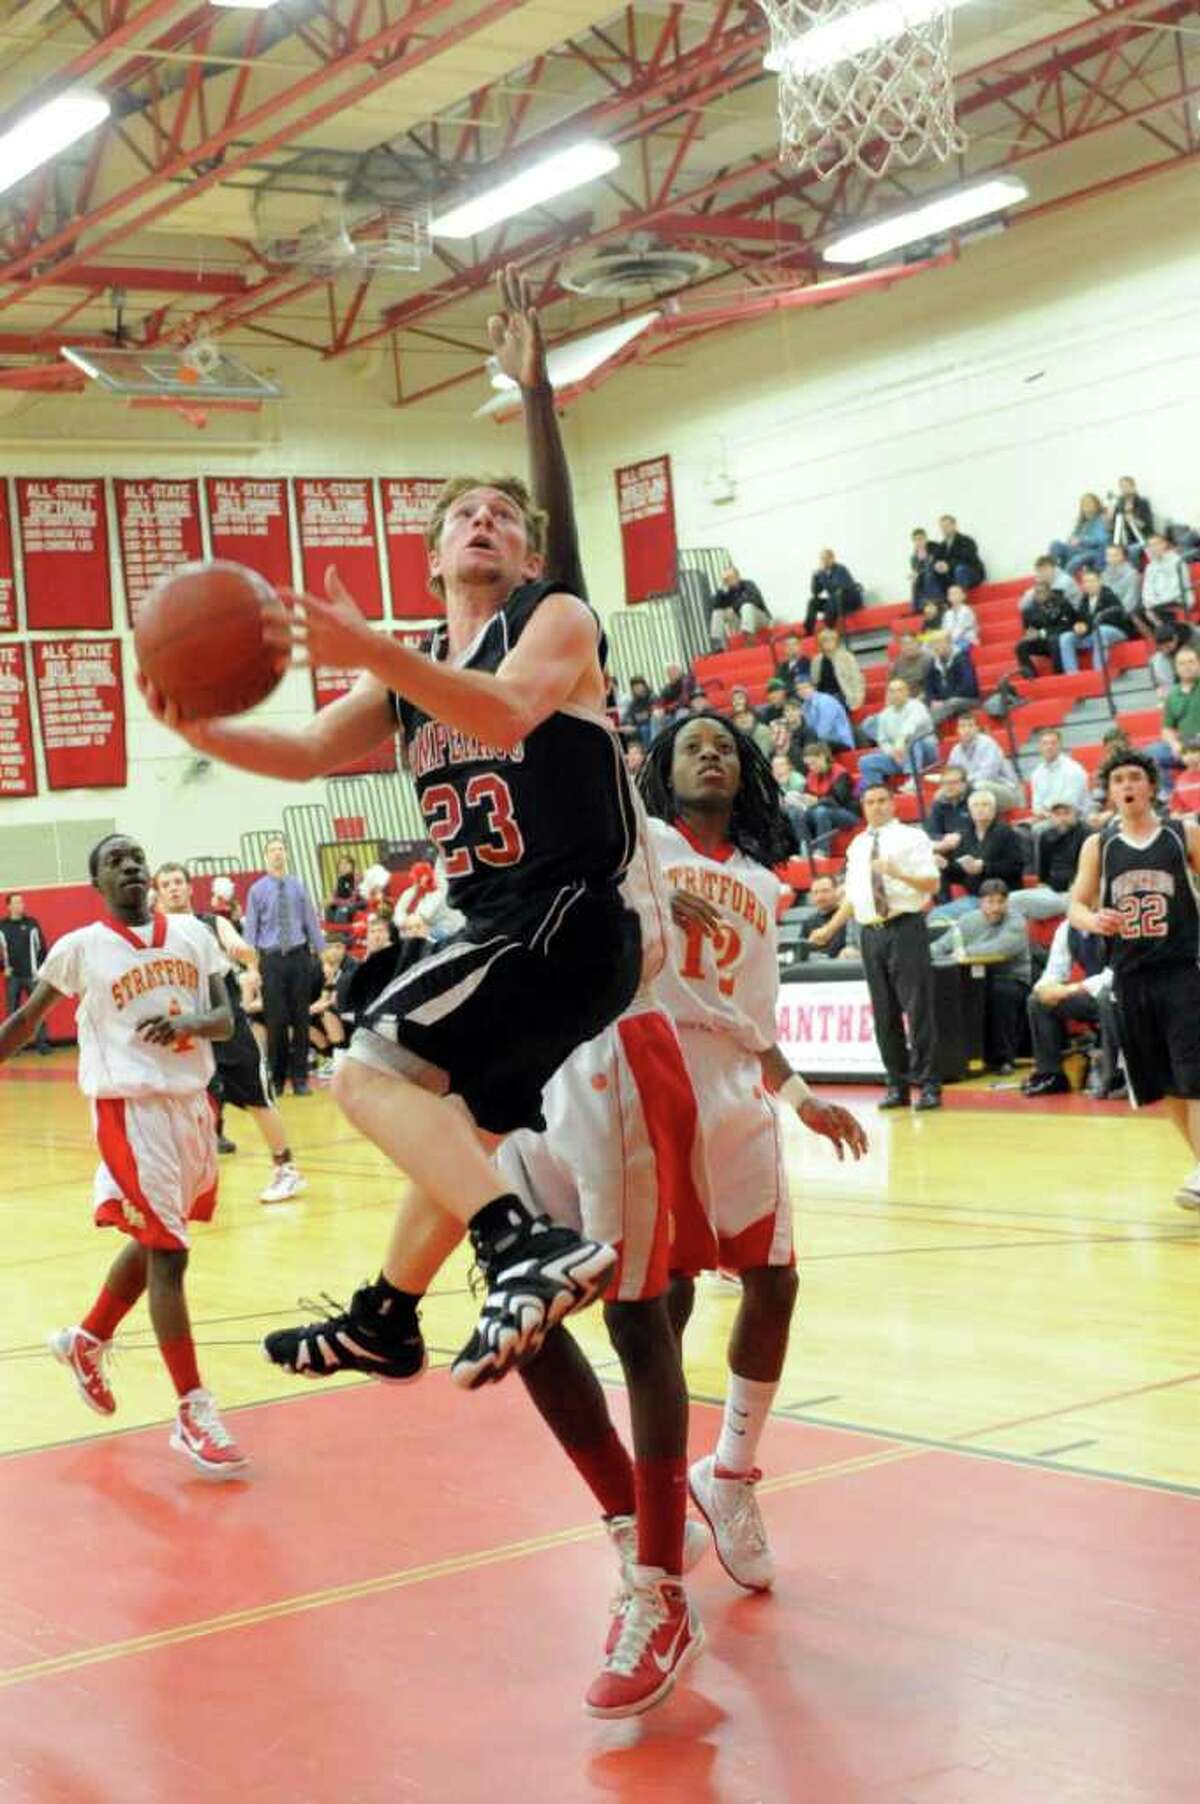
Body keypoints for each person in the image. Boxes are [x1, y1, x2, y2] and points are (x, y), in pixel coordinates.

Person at [142, 263, 651, 1387]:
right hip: (505, 924)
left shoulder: (554, 617)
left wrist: (378, 646)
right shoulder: (411, 675)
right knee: (444, 1112)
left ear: (525, 555)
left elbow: (511, 712)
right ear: (432, 556)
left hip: (563, 913)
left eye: (506, 518)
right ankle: (387, 1311)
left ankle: (524, 1244)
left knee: (364, 1072)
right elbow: (311, 752)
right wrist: (198, 729)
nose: (488, 521)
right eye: (467, 513)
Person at [497, 713, 865, 1715]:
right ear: (657, 769)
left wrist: (799, 1095)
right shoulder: (637, 842)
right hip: (632, 1066)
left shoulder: (762, 882)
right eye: (692, 742)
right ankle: (651, 1523)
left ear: (747, 774)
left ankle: (730, 1472)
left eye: (728, 745)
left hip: (728, 1084)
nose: (713, 753)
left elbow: (755, 1013)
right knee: (645, 1307)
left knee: (771, 1276)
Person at [0, 833, 245, 1475]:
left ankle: (87, 1340)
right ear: (96, 886)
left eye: (136, 856)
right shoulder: (82, 948)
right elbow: (27, 1021)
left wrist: (191, 1024)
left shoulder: (192, 932)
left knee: (158, 1235)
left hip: (192, 1106)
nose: (130, 866)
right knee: (169, 1253)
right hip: (128, 1109)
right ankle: (193, 1409)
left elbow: (226, 1018)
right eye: (115, 862)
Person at [1069, 747, 1200, 1209]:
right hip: (1129, 976)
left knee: (1194, 1074)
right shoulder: (1099, 845)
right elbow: (1075, 906)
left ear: (1150, 786)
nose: (1126, 786)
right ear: (1109, 793)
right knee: (1165, 1085)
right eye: (1117, 780)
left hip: (1184, 969)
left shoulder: (1183, 834)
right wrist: (1094, 920)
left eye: (1133, 777)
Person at [156, 862, 306, 1205]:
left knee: (257, 1098)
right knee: (183, 1104)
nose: (174, 888)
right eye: (167, 884)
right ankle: (187, 1179)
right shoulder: (159, 931)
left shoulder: (212, 923)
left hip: (226, 1024)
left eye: (179, 882)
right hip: (188, 1027)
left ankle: (286, 1169)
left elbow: (241, 948)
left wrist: (245, 958)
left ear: (190, 888)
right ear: (159, 893)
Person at [808, 784, 942, 1109]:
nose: (876, 807)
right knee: (884, 1012)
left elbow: (932, 884)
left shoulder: (912, 838)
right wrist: (829, 927)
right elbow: (854, 896)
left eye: (882, 801)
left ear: (893, 805)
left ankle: (928, 1085)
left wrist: (896, 871)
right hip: (871, 932)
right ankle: (896, 1084)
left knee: (917, 1007)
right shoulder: (857, 845)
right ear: (863, 807)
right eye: (870, 802)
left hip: (905, 926)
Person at [243, 836, 325, 1098]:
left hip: (299, 957)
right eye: (273, 850)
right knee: (276, 1021)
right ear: (266, 856)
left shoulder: (299, 886)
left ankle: (300, 1078)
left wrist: (323, 957)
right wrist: (252, 967)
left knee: (301, 1019)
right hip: (272, 960)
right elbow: (251, 931)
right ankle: (277, 1079)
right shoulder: (256, 890)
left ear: (286, 854)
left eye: (281, 849)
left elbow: (311, 922)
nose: (277, 854)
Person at [935, 880, 1030, 1073]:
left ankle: (1003, 1059)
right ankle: (957, 1056)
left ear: (1007, 903)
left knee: (999, 993)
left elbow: (1002, 947)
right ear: (980, 903)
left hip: (1012, 979)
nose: (995, 907)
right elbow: (942, 945)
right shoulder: (968, 920)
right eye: (990, 902)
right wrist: (922, 955)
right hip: (975, 979)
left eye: (1000, 902)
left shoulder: (1016, 921)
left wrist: (964, 952)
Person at [1023, 918, 1119, 1097]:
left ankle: (1113, 1076)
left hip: (1125, 994)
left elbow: (1116, 973)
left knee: (1108, 997)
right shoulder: (1068, 928)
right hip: (1091, 995)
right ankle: (1050, 1075)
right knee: (1037, 1001)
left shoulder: (1114, 921)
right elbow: (1053, 972)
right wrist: (1044, 989)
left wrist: (1071, 989)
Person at [935, 788, 1027, 912]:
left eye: (985, 804)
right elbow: (959, 875)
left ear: (994, 809)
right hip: (974, 897)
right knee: (937, 914)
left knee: (939, 915)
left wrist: (984, 868)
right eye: (975, 805)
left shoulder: (1006, 833)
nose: (980, 809)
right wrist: (946, 865)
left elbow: (1016, 867)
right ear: (970, 810)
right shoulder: (966, 835)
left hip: (1000, 897)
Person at [1011, 802, 1089, 920]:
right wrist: (1042, 883)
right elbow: (1043, 870)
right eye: (1057, 814)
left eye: (1066, 813)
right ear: (1051, 817)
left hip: (1077, 892)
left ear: (1075, 814)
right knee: (1012, 899)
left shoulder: (1087, 834)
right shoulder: (1046, 836)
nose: (1062, 818)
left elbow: (1089, 870)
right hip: (1052, 892)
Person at [858, 676, 937, 791]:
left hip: (926, 753)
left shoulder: (917, 706)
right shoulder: (885, 714)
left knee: (912, 742)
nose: (896, 694)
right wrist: (892, 752)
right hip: (900, 756)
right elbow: (882, 740)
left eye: (900, 690)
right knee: (865, 762)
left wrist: (901, 741)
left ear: (907, 692)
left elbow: (912, 724)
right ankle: (878, 791)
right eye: (892, 691)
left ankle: (914, 781)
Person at [1, 892, 51, 1053]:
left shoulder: (32, 923)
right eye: (16, 902)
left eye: (22, 902)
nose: (21, 905)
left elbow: (42, 948)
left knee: (38, 1010)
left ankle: (42, 1044)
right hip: (13, 978)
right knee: (13, 1016)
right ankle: (13, 1049)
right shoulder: (2, 926)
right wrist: (3, 968)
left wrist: (42, 970)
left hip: (33, 975)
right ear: (9, 906)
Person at [946, 711, 1024, 813]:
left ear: (977, 729)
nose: (966, 730)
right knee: (942, 794)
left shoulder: (988, 743)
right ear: (957, 730)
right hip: (971, 790)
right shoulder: (955, 750)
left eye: (970, 726)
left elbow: (988, 775)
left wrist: (962, 783)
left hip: (1008, 792)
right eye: (962, 726)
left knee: (979, 786)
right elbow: (951, 774)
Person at [1059, 567, 1127, 674]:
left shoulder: (1109, 596)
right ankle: (1073, 675)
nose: (1088, 584)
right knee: (1065, 637)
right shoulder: (1084, 600)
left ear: (1100, 581)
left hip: (1114, 632)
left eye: (1092, 581)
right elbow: (1080, 620)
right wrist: (1077, 626)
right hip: (1092, 633)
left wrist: (1087, 627)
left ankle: (1099, 674)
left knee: (1101, 631)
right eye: (1085, 582)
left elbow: (1112, 618)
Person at [796, 740, 859, 851]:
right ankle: (806, 851)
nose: (811, 768)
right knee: (797, 814)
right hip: (821, 810)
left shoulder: (840, 773)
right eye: (808, 765)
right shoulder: (811, 776)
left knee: (821, 812)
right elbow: (807, 796)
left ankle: (823, 851)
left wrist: (817, 801)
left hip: (847, 812)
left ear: (822, 757)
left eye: (813, 763)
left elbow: (838, 800)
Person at [1028, 728, 1090, 828]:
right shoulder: (1037, 773)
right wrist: (1044, 814)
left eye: (1053, 743)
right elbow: (1036, 806)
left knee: (1038, 829)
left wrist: (1047, 813)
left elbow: (1070, 803)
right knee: (1020, 829)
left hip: (1074, 818)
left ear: (1060, 746)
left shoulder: (1073, 769)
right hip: (1048, 817)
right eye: (1045, 743)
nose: (1049, 747)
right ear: (1039, 747)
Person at [1133, 533, 1192, 635]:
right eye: (1151, 546)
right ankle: (1160, 637)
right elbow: (1147, 590)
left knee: (1159, 610)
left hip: (1177, 599)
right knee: (1136, 613)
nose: (1154, 548)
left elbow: (1176, 590)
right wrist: (1149, 604)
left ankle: (1171, 636)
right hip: (1157, 604)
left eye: (1156, 544)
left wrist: (1155, 605)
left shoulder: (1177, 562)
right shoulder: (1150, 567)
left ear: (1164, 544)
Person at [923, 629, 979, 724]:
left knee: (953, 702)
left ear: (949, 643)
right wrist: (931, 700)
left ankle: (926, 728)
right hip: (945, 703)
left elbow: (968, 688)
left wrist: (944, 701)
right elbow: (928, 687)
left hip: (968, 700)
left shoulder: (962, 659)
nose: (935, 647)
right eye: (933, 644)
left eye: (938, 644)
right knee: (921, 703)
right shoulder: (933, 663)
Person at [810, 625, 866, 715]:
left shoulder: (846, 657)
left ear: (836, 642)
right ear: (820, 643)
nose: (828, 643)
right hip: (823, 696)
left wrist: (858, 697)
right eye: (824, 640)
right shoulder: (816, 661)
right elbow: (814, 682)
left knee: (832, 704)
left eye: (831, 639)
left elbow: (857, 678)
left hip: (842, 694)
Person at [1050, 493, 1110, 574]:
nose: (1086, 506)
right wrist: (1071, 539)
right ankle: (1052, 571)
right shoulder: (1081, 523)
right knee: (1055, 544)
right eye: (1084, 504)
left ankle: (1063, 581)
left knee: (1074, 562)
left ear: (1096, 505)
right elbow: (1073, 538)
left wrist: (1081, 540)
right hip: (1077, 550)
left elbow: (1102, 540)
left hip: (1092, 552)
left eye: (1089, 503)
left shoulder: (1101, 520)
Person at [709, 566, 770, 647]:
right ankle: (717, 642)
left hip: (759, 618)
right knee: (718, 613)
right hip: (741, 620)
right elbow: (716, 607)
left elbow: (754, 599)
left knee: (746, 606)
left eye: (731, 577)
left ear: (738, 576)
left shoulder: (748, 584)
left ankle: (749, 639)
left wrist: (734, 608)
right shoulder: (727, 592)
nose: (729, 581)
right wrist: (720, 591)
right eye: (726, 579)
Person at [805, 549, 861, 634]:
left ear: (832, 559)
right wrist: (815, 578)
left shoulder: (840, 569)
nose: (824, 561)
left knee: (833, 599)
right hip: (833, 603)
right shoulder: (822, 573)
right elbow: (816, 592)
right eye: (822, 559)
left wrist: (824, 577)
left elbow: (839, 588)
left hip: (847, 601)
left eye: (826, 558)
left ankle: (829, 630)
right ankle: (809, 631)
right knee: (813, 602)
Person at [793, 674, 853, 750]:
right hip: (822, 741)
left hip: (839, 742)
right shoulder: (805, 706)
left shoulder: (825, 701)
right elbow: (808, 729)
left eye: (805, 687)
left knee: (807, 748)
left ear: (813, 687)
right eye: (799, 689)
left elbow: (824, 730)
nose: (802, 691)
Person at [934, 515, 986, 590]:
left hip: (972, 573)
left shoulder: (966, 540)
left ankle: (960, 600)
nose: (944, 529)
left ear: (954, 525)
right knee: (932, 573)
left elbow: (966, 558)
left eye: (947, 526)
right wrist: (937, 565)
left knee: (960, 569)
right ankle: (937, 600)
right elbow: (936, 559)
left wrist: (948, 565)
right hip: (953, 575)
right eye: (942, 527)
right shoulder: (942, 546)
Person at [1107, 476, 1154, 559]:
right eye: (1121, 487)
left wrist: (1133, 519)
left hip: (1141, 538)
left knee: (1132, 550)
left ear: (1133, 487)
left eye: (1126, 486)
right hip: (1123, 538)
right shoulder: (1119, 504)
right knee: (1109, 549)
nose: (1124, 489)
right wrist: (1109, 519)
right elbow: (1113, 528)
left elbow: (1147, 526)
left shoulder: (1142, 503)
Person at [1102, 542, 1141, 620]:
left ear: (1124, 556)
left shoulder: (1132, 575)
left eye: (1115, 555)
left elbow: (1131, 602)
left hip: (1123, 615)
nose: (1111, 558)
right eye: (1108, 555)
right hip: (1105, 614)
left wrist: (1113, 614)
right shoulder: (1105, 574)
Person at [909, 528, 946, 606]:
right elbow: (917, 572)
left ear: (925, 539)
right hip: (924, 582)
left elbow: (940, 563)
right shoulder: (914, 558)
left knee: (928, 572)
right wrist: (914, 574)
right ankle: (918, 605)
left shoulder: (935, 548)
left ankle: (936, 601)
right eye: (915, 540)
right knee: (914, 581)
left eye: (920, 539)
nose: (918, 542)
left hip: (938, 577)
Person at [940, 584, 980, 656]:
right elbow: (944, 630)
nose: (953, 596)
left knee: (953, 649)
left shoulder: (967, 611)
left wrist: (950, 641)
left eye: (956, 593)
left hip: (967, 640)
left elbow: (962, 629)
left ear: (963, 596)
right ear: (948, 598)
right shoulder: (947, 614)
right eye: (951, 594)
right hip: (951, 641)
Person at [890, 629, 932, 694]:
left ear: (918, 644)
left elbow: (932, 686)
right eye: (905, 644)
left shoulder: (928, 660)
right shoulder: (897, 663)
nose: (908, 647)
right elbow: (891, 686)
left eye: (911, 643)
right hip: (903, 698)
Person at [1170, 739, 1200, 819]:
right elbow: (1176, 809)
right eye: (1185, 753)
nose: (1189, 756)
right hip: (1190, 823)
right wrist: (1176, 814)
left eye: (1193, 752)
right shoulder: (1180, 779)